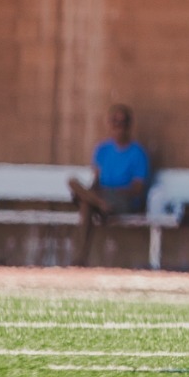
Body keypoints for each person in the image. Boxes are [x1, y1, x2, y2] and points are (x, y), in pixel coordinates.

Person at [68, 104, 149, 266]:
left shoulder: (138, 153)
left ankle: (80, 259)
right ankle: (99, 204)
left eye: (123, 123)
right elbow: (96, 179)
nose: (119, 127)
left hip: (123, 199)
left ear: (129, 126)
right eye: (115, 122)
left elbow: (138, 188)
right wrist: (95, 193)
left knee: (85, 204)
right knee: (73, 183)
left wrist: (112, 193)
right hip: (102, 195)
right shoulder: (102, 150)